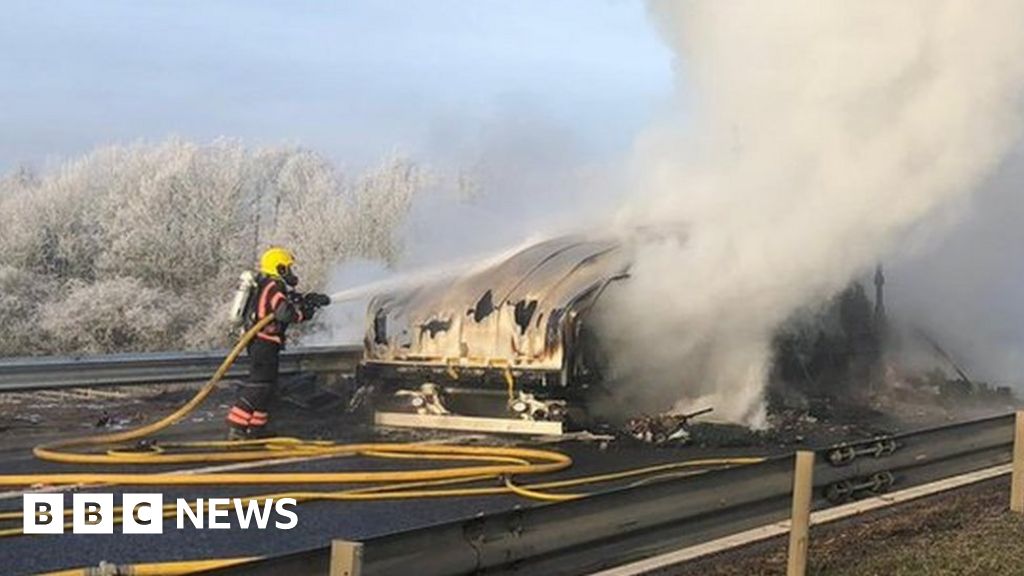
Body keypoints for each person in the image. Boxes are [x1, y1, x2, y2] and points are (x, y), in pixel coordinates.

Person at [226, 247, 330, 440]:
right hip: (263, 344)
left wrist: (308, 300)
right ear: (280, 268)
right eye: (288, 268)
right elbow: (285, 313)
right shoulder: (274, 286)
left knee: (269, 387)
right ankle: (237, 426)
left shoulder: (267, 284)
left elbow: (286, 303)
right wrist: (304, 313)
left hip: (265, 343)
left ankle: (257, 428)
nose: (291, 273)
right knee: (260, 386)